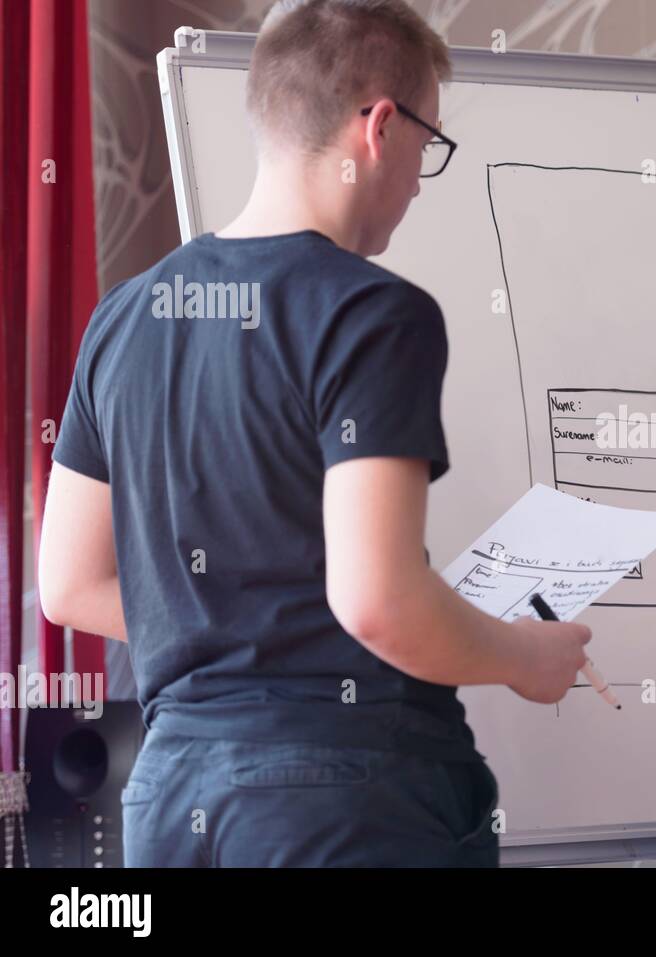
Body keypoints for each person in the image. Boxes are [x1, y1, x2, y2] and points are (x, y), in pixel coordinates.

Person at [37, 0, 590, 867]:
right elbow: (377, 603)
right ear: (380, 126)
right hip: (344, 799)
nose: (419, 180)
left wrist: (248, 632)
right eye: (428, 145)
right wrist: (524, 656)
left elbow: (69, 584)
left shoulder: (123, 318)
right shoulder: (370, 312)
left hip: (171, 797)